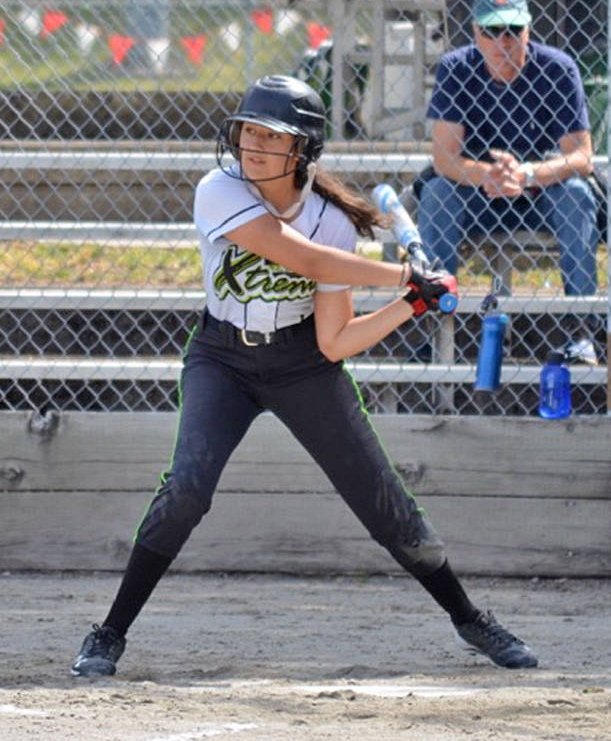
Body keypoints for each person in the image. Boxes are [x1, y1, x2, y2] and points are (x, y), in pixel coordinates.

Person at [70, 75, 539, 678]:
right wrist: (399, 278)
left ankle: (470, 620)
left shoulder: (333, 223)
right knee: (186, 488)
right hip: (223, 358)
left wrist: (412, 305)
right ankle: (109, 632)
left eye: (273, 137)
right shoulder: (220, 189)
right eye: (248, 133)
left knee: (380, 497)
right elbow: (300, 257)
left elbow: (336, 340)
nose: (254, 147)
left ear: (303, 152)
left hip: (302, 364)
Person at [417, 0, 599, 298]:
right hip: (476, 191)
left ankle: (581, 328)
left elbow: (582, 157)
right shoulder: (457, 67)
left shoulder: (557, 68)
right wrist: (489, 174)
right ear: (475, 32)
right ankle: (436, 322)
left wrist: (524, 174)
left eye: (513, 30)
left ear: (528, 30)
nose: (503, 41)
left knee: (576, 195)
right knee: (437, 194)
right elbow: (444, 160)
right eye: (492, 30)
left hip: (541, 191)